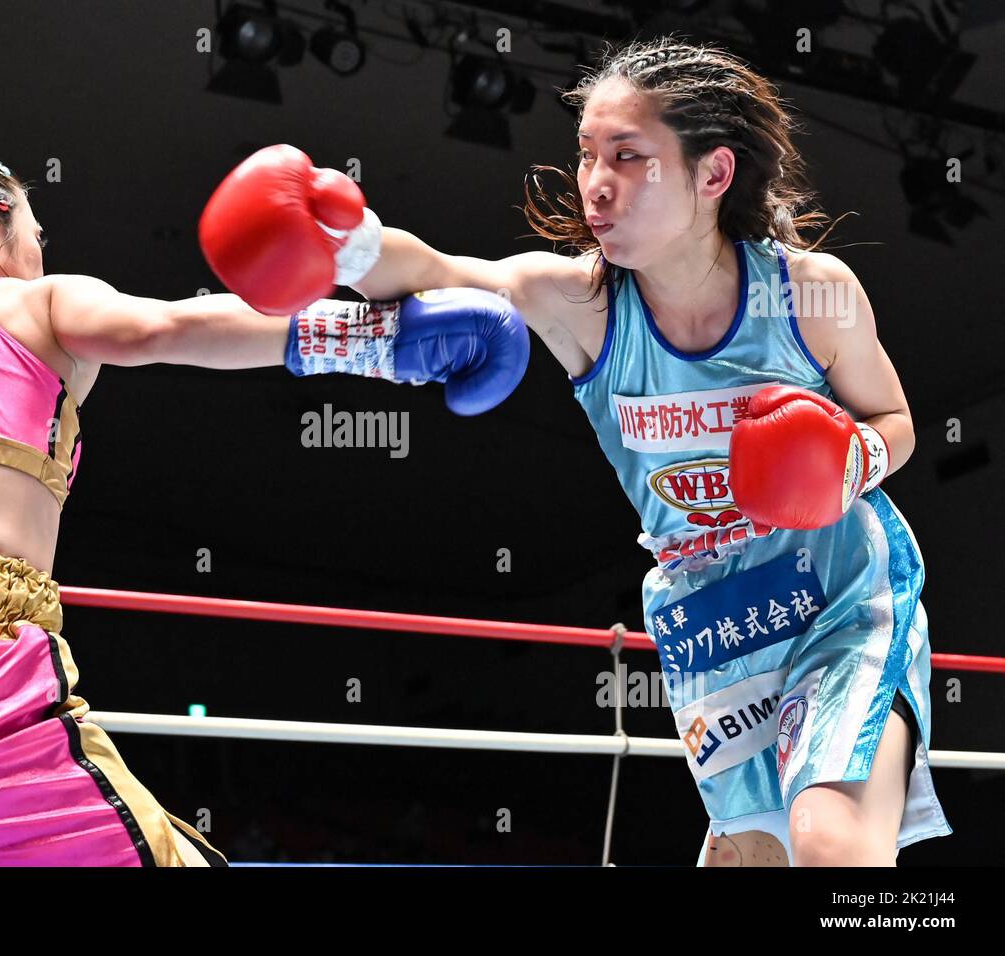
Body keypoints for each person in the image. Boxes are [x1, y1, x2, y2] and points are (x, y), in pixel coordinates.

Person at [197, 38, 952, 866]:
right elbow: (443, 276)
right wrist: (349, 242)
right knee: (752, 859)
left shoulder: (811, 296)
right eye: (589, 153)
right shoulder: (584, 305)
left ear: (713, 175)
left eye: (628, 156)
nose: (596, 180)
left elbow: (895, 420)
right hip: (714, 623)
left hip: (839, 596)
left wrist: (848, 463)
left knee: (830, 842)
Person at [0, 146, 528, 866]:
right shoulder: (35, 305)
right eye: (34, 233)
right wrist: (383, 344)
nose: (41, 253)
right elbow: (168, 329)